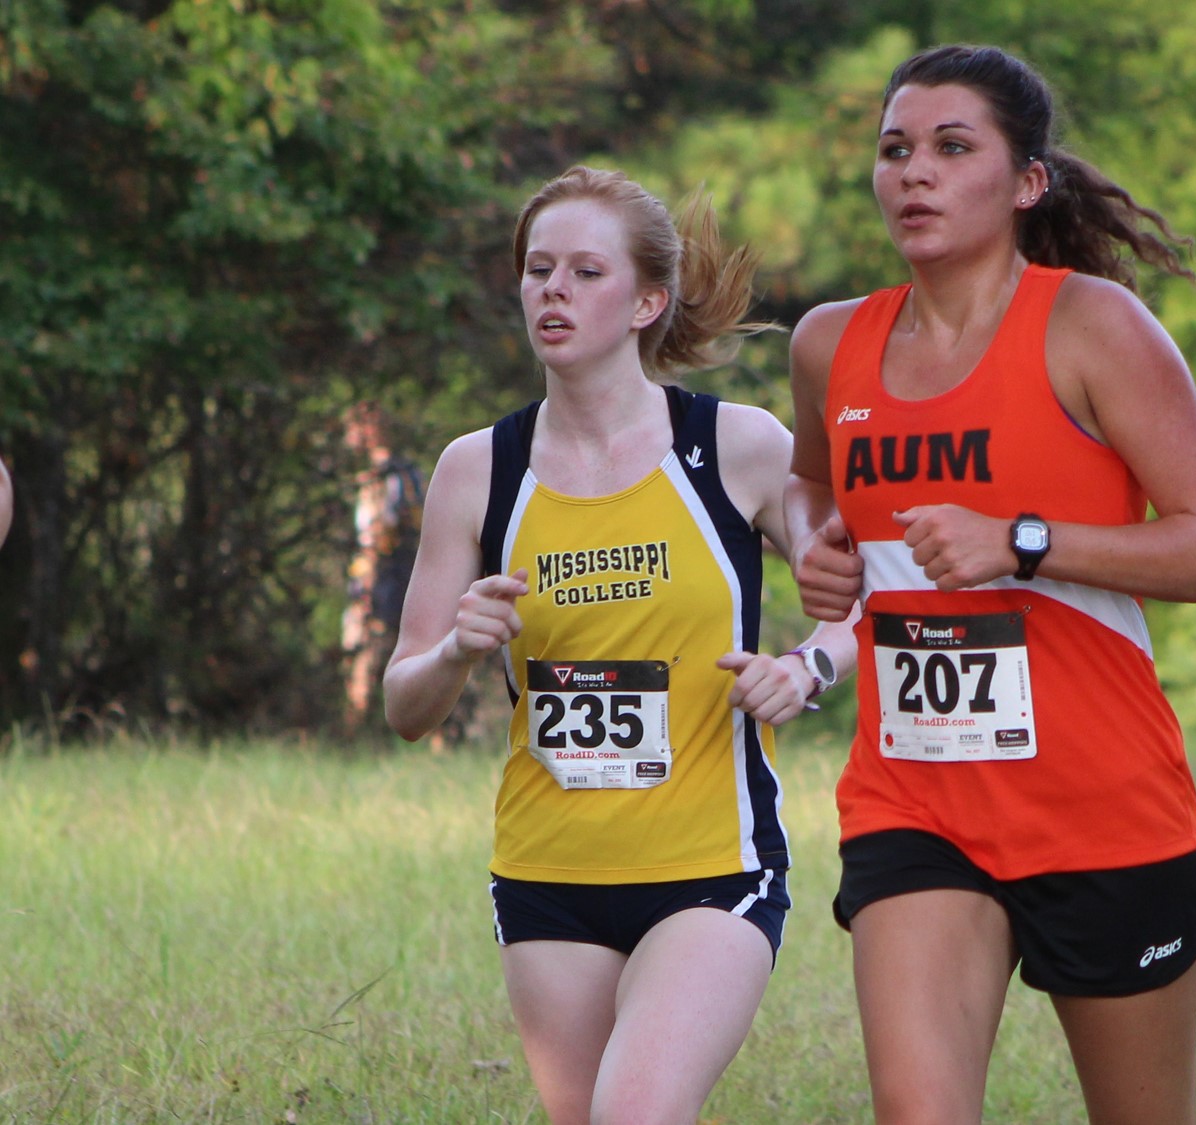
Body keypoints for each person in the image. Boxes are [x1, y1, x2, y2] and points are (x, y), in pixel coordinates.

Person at [784, 44, 1196, 1125]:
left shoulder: (1092, 325)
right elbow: (813, 494)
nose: (914, 173)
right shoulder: (828, 344)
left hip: (1100, 804)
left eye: (953, 149)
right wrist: (819, 548)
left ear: (1025, 181)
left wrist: (1025, 541)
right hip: (913, 798)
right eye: (894, 150)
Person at [382, 165, 856, 1125]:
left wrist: (804, 668)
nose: (552, 289)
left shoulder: (737, 446)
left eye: (584, 272)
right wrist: (457, 651)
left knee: (635, 1112)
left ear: (648, 301)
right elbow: (403, 705)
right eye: (537, 268)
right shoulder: (478, 471)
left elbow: (863, 600)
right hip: (547, 877)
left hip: (712, 869)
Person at [342, 402, 426, 725]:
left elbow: (399, 528)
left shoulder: (399, 476)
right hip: (367, 572)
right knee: (360, 648)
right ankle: (357, 728)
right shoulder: (363, 478)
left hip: (391, 572)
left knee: (378, 645)